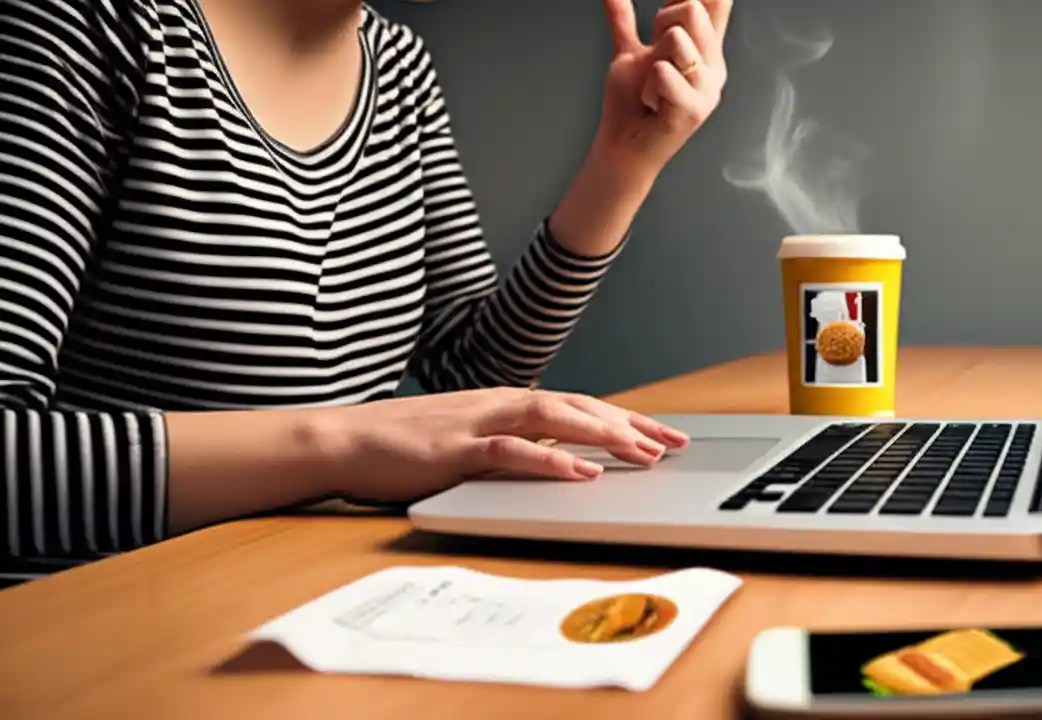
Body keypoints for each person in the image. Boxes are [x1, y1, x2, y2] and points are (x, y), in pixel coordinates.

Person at [0, 0, 732, 578]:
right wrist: (344, 442)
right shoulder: (84, 28)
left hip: (310, 597)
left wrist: (624, 162)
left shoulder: (397, 66)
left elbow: (470, 378)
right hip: (94, 622)